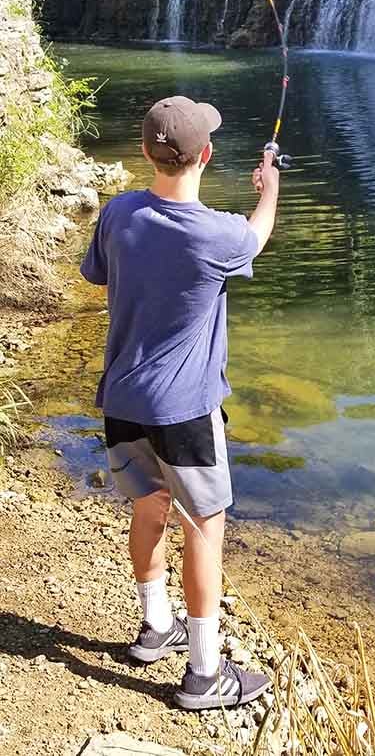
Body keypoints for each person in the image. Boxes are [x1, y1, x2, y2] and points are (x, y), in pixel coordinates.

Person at [80, 96, 280, 710]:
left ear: (145, 152)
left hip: (122, 399)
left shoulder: (117, 215)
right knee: (204, 529)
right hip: (186, 412)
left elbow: (99, 276)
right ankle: (203, 673)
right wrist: (269, 185)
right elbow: (256, 237)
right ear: (208, 154)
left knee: (148, 508)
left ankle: (155, 627)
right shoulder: (218, 234)